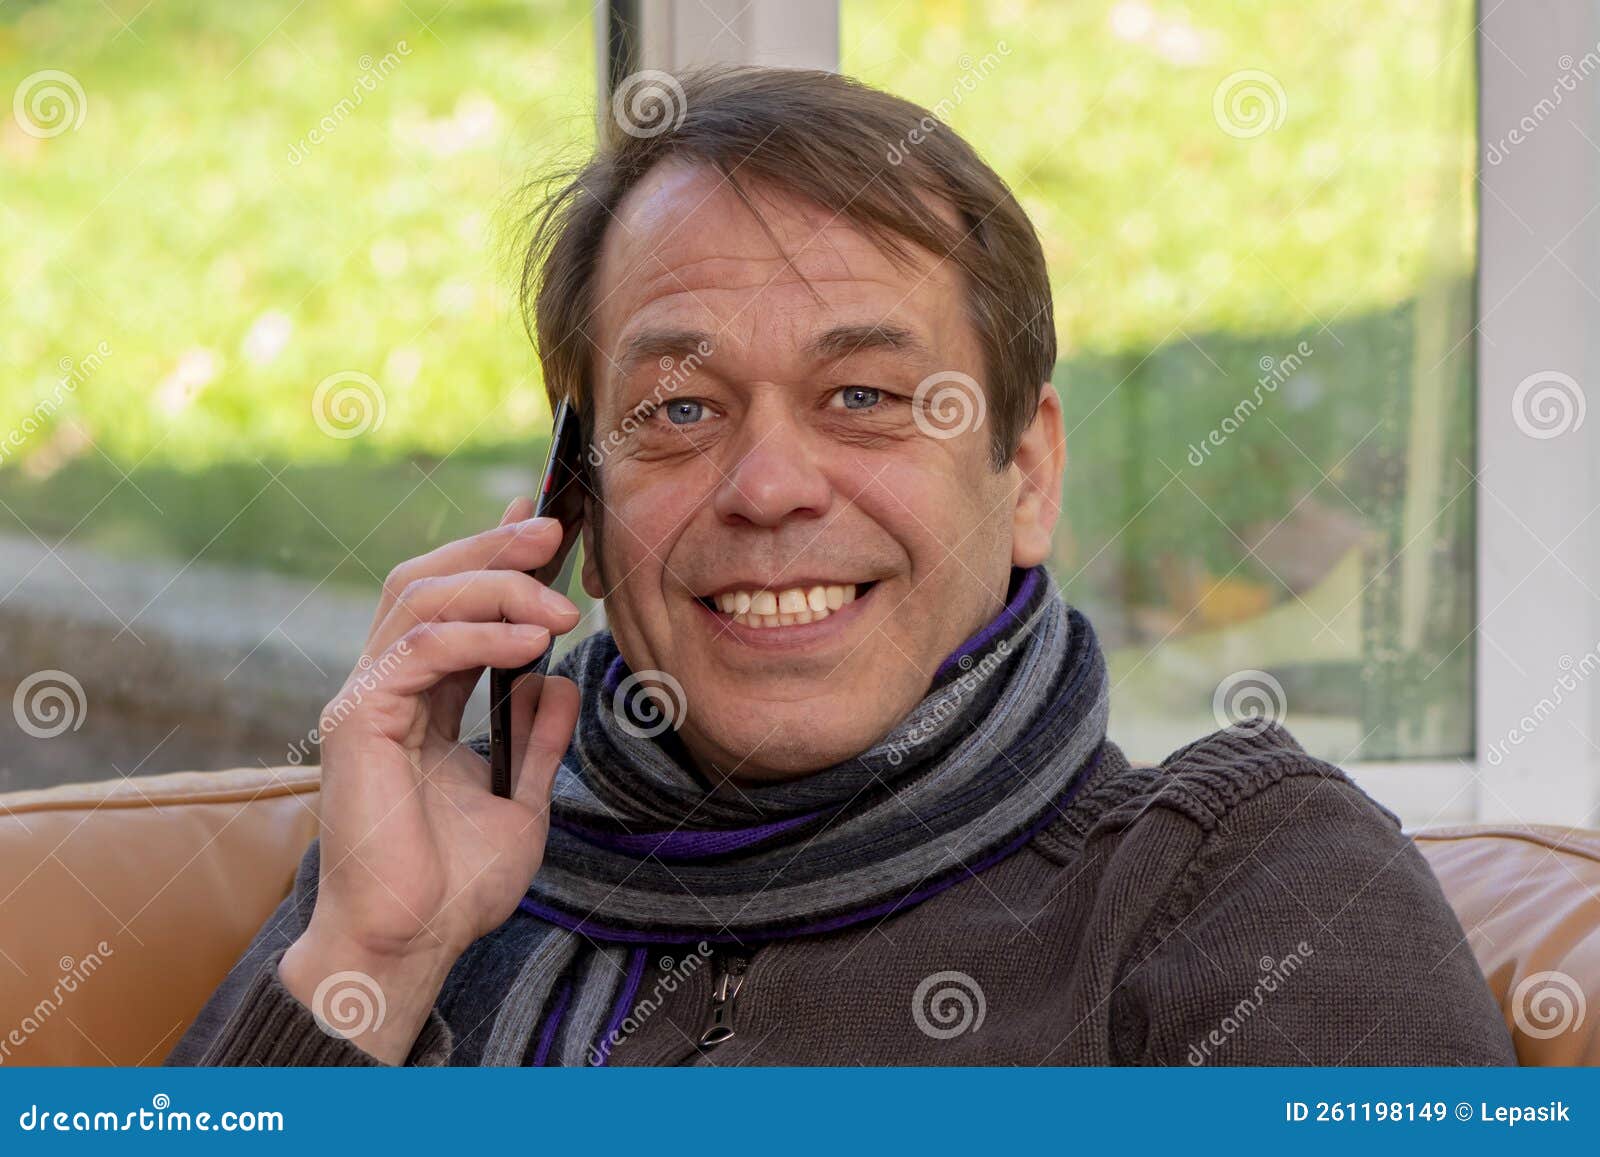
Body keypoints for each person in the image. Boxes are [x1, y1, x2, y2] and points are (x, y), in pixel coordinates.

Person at [168, 67, 1514, 1067]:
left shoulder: (1238, 878)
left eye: (866, 396)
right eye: (680, 411)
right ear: (575, 498)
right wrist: (372, 956)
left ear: (1027, 473)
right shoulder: (411, 859)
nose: (767, 488)